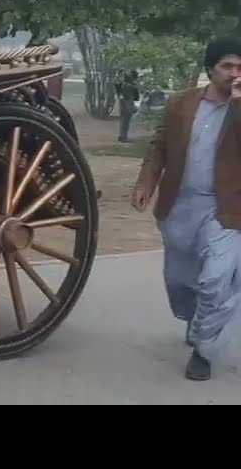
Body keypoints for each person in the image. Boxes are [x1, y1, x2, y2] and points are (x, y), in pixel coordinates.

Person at [131, 36, 241, 381]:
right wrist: (146, 183)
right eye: (227, 66)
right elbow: (160, 146)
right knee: (180, 283)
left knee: (215, 282)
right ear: (210, 69)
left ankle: (204, 352)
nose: (234, 73)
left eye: (240, 67)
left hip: (226, 211)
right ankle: (197, 323)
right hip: (180, 205)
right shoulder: (181, 103)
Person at [115, 70, 141, 142]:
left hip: (122, 104)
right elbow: (136, 97)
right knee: (126, 122)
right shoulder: (132, 87)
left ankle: (122, 136)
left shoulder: (121, 85)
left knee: (123, 121)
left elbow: (118, 89)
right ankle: (124, 137)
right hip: (128, 104)